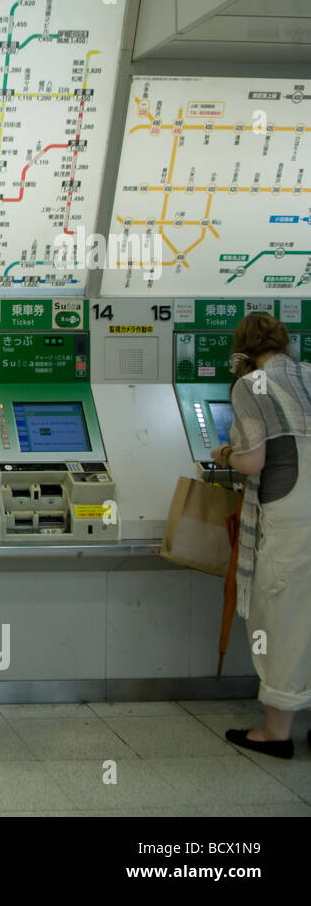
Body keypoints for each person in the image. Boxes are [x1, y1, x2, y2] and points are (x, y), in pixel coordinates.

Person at [211, 313, 311, 759]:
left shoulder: (251, 384)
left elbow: (253, 462)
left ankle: (276, 731)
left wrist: (226, 453)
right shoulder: (307, 375)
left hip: (291, 514)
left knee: (284, 616)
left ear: (244, 349)